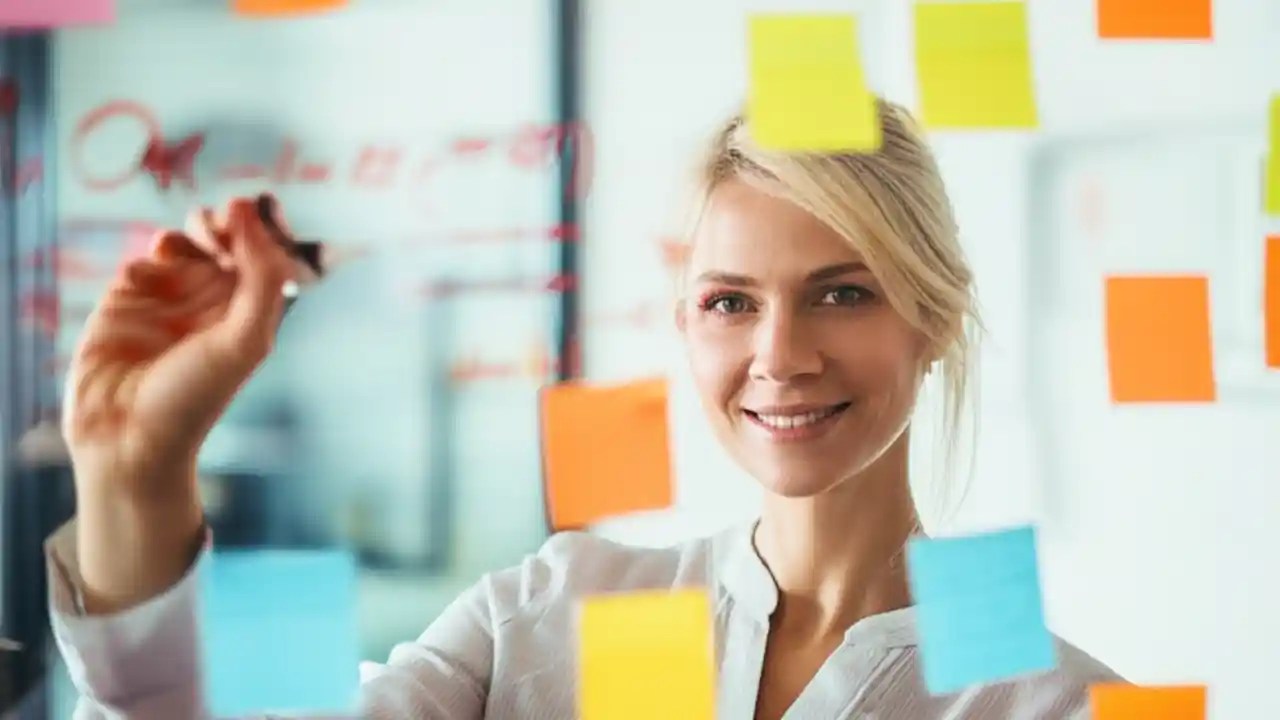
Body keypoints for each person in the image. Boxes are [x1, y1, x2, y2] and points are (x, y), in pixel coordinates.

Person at [45, 100, 1122, 720]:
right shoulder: (553, 608)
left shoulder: (1050, 703)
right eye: (728, 302)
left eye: (842, 293)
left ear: (930, 317)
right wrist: (133, 474)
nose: (778, 355)